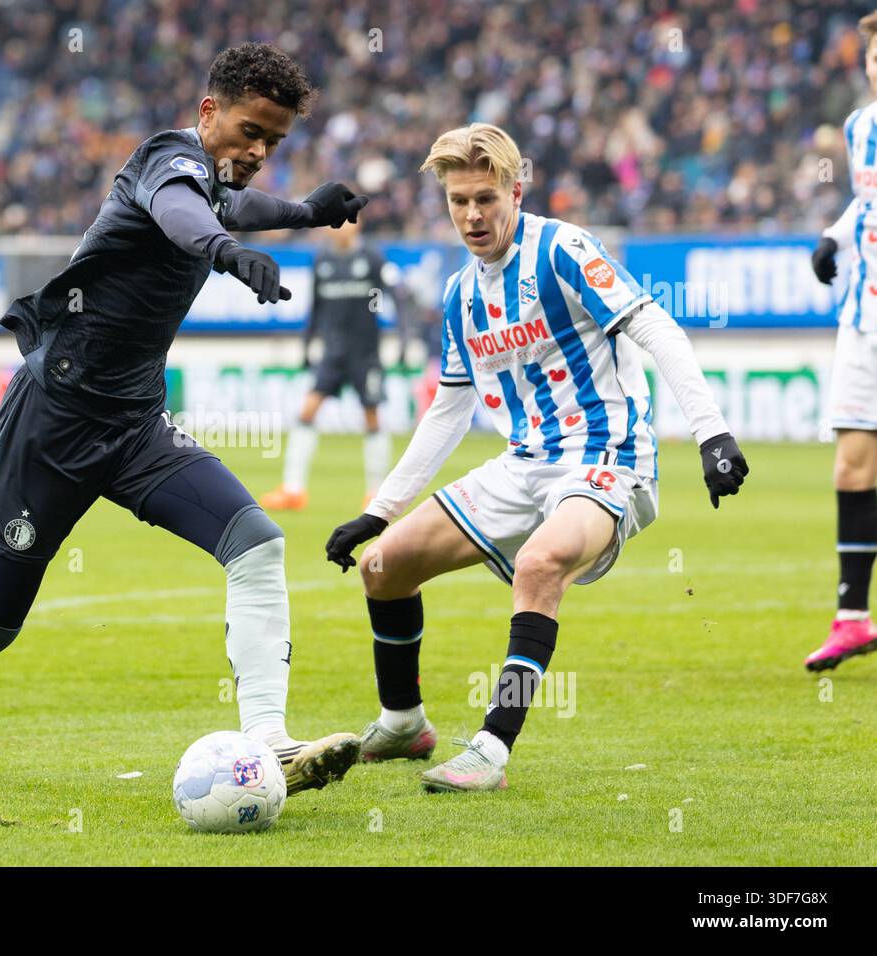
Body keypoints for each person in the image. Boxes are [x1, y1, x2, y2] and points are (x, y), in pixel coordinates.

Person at [0, 43, 369, 794]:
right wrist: (228, 255)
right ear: (208, 113)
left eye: (276, 140)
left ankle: (271, 742)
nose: (259, 150)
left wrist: (305, 214)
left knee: (257, 543)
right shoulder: (166, 161)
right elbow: (186, 216)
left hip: (136, 425)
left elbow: (233, 205)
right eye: (250, 130)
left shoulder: (213, 180)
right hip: (52, 421)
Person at [324, 123, 749, 792]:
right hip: (523, 463)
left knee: (540, 562)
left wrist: (712, 433)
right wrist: (379, 513)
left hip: (606, 456)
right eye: (458, 200)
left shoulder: (564, 249)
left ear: (516, 192)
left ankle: (492, 746)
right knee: (382, 568)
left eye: (486, 199)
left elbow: (655, 327)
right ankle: (404, 721)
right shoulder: (461, 294)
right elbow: (449, 409)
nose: (471, 215)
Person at [806, 9, 877, 673]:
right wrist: (837, 233)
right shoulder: (860, 126)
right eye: (874, 57)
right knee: (853, 464)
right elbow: (868, 201)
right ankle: (852, 618)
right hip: (864, 321)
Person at [260, 218, 405, 510]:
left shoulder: (372, 258)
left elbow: (395, 300)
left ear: (358, 225)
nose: (336, 228)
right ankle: (293, 490)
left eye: (344, 223)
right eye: (333, 224)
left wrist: (403, 340)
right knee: (306, 412)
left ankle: (377, 493)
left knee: (372, 418)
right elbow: (315, 306)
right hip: (333, 353)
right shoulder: (322, 260)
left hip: (365, 354)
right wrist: (306, 345)